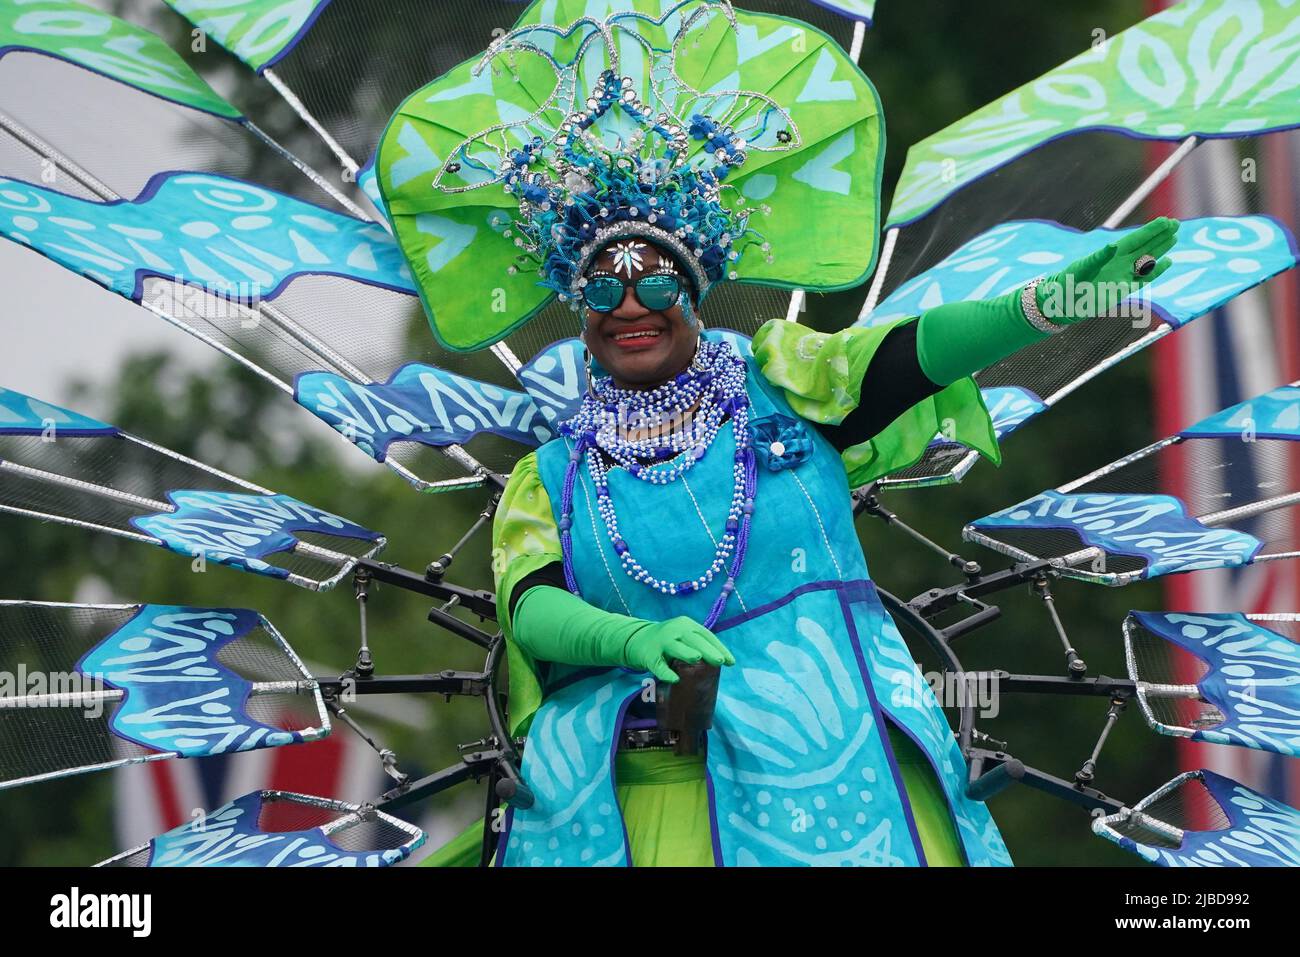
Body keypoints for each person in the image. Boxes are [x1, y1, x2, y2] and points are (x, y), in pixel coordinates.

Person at [380, 1, 1178, 866]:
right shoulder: (554, 476)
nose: (632, 307)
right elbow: (531, 607)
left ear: (694, 292)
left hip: (850, 788)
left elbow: (919, 354)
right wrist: (629, 640)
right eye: (604, 292)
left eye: (656, 283)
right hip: (637, 811)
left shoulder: (790, 387)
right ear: (582, 319)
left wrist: (1047, 303)